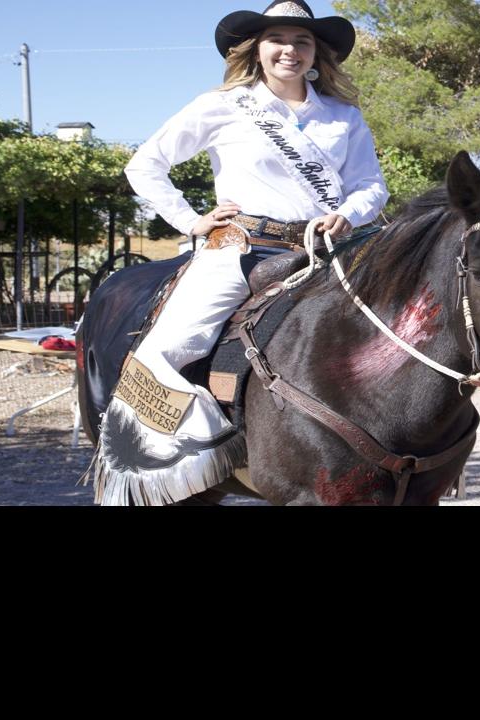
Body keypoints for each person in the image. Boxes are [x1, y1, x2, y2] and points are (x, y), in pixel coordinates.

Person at [93, 0, 388, 505]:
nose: (289, 50)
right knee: (167, 348)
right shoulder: (223, 105)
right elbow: (145, 165)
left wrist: (351, 213)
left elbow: (370, 186)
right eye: (278, 39)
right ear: (258, 49)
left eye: (302, 41)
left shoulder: (343, 117)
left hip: (326, 251)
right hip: (240, 248)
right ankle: (164, 463)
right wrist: (191, 221)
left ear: (317, 53)